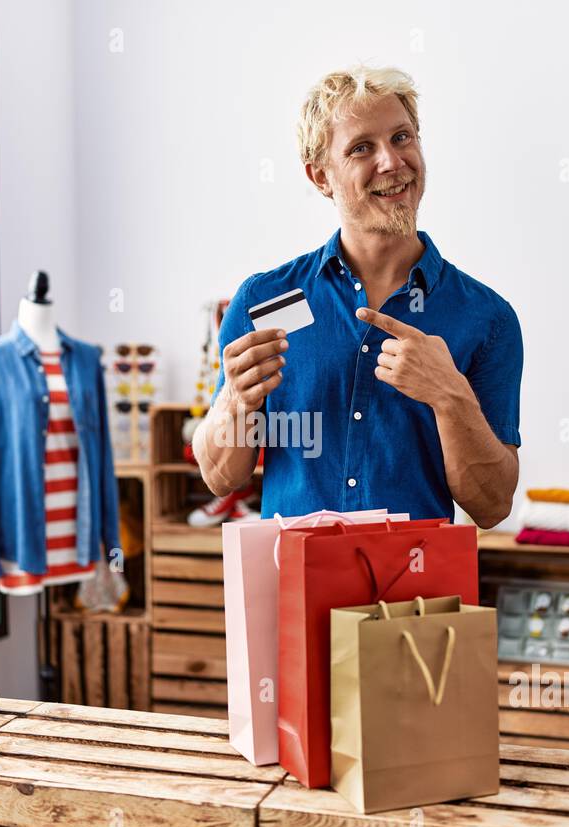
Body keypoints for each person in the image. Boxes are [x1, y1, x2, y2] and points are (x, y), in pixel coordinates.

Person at [193, 65, 522, 527]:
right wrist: (235, 402)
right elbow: (219, 477)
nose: (391, 161)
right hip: (292, 585)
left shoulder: (487, 319)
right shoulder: (264, 302)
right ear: (320, 178)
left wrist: (451, 398)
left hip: (417, 591)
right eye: (362, 148)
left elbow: (493, 506)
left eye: (402, 138)